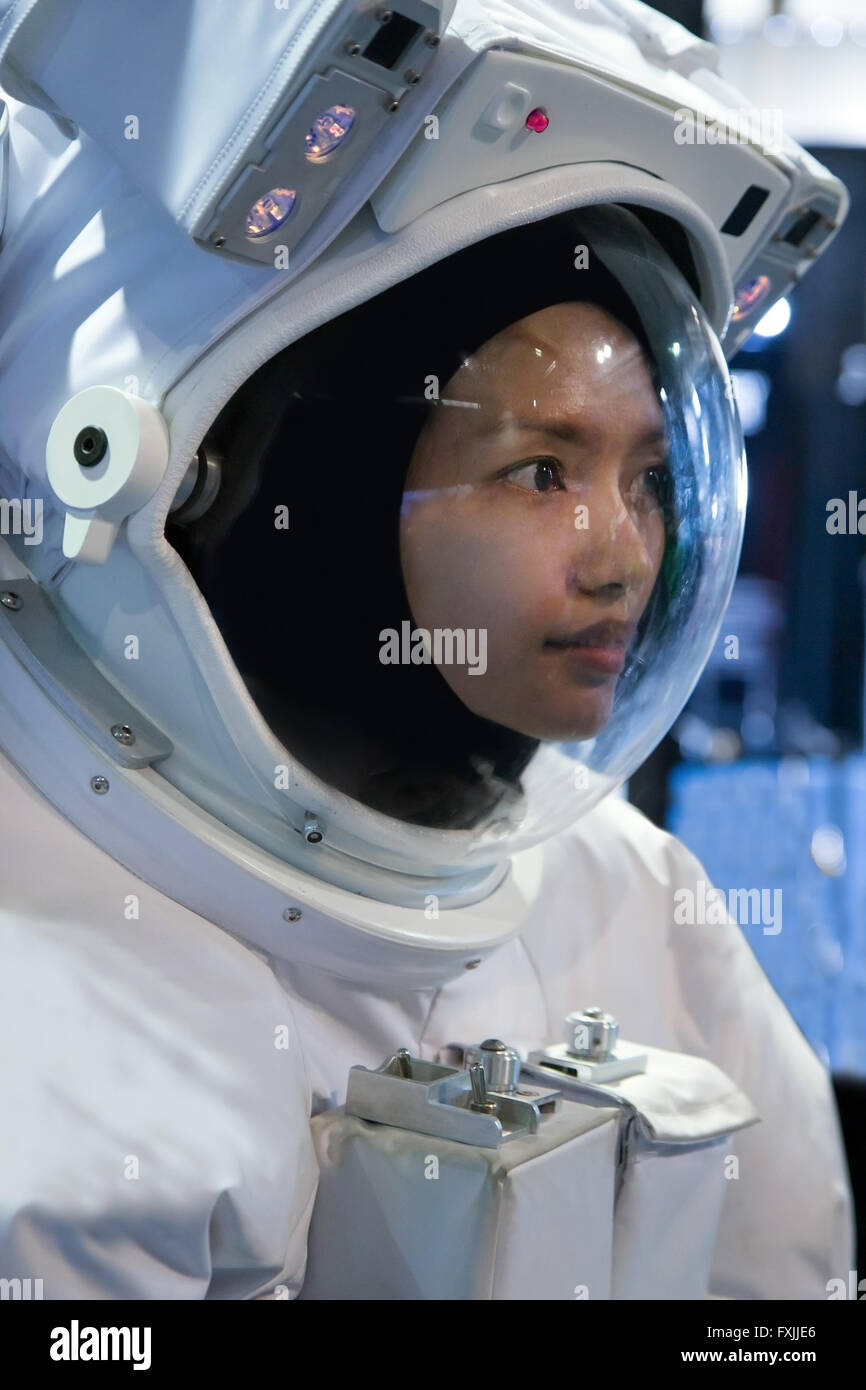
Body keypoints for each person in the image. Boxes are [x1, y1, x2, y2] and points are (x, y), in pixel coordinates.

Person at [0, 0, 854, 1299]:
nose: (623, 555)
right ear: (283, 491)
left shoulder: (622, 890)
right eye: (538, 470)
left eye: (647, 478)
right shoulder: (51, 984)